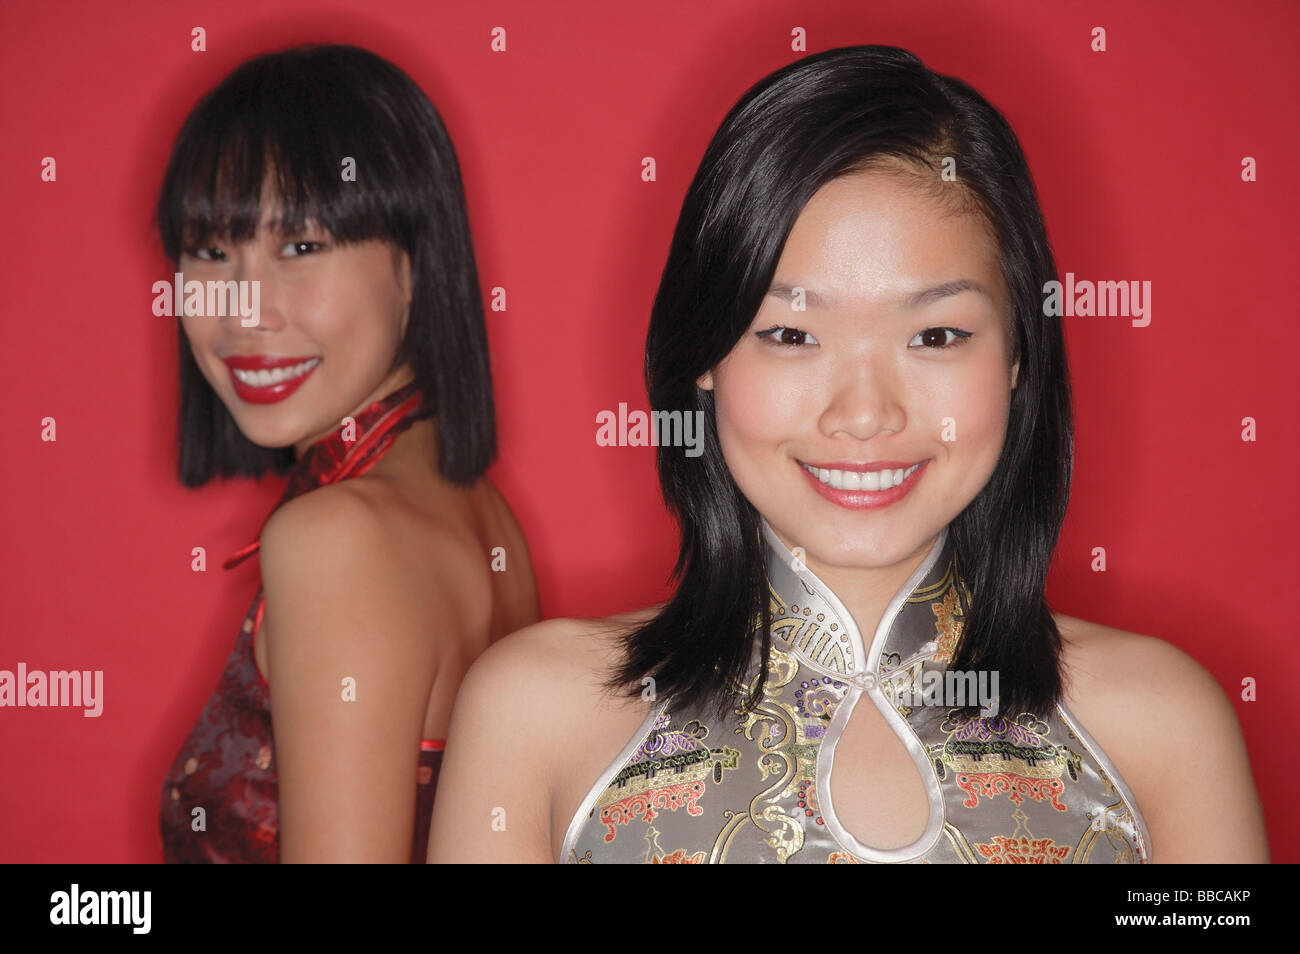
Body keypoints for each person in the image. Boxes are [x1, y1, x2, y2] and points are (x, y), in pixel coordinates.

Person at [429, 44, 1268, 863]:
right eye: (791, 334)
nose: (865, 415)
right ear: (706, 359)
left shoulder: (1164, 731)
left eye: (936, 335)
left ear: (1017, 358)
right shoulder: (535, 718)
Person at [155, 43, 539, 862]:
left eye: (301, 247)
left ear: (412, 264)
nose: (245, 312)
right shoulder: (476, 509)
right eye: (211, 251)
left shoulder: (337, 537)